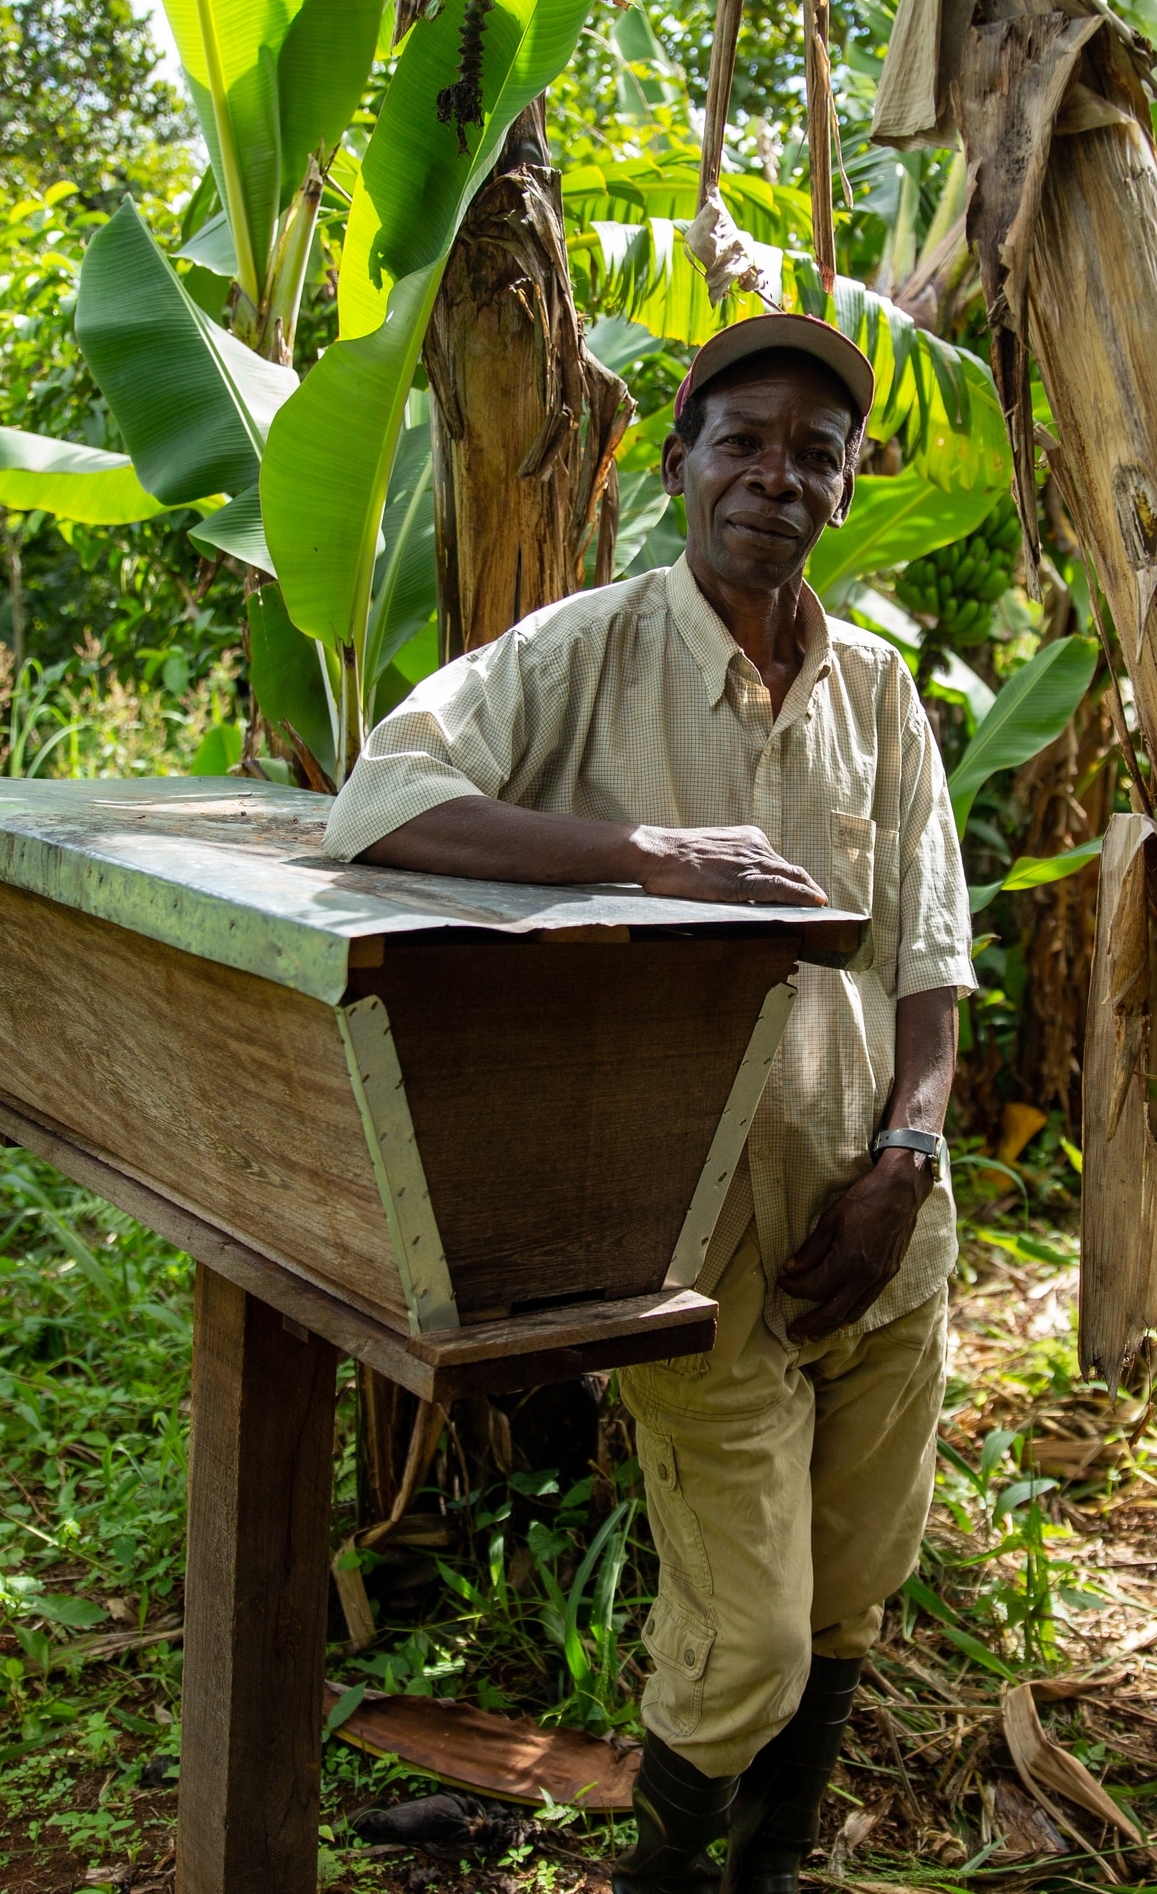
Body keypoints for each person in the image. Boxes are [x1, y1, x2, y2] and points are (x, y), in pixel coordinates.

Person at [323, 314, 971, 1893]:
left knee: (852, 1592)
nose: (775, 476)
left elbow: (928, 957)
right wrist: (641, 856)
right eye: (740, 441)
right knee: (747, 1639)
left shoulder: (877, 691)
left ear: (847, 486)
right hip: (691, 1238)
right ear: (676, 463)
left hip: (879, 1215)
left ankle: (767, 1868)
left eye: (813, 454)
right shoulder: (584, 652)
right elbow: (381, 801)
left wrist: (907, 1153)